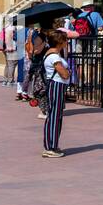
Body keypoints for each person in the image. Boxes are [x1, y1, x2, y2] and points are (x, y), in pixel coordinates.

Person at [40, 30, 72, 159]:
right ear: (60, 42)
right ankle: (50, 147)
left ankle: (52, 145)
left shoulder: (53, 54)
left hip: (57, 86)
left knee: (55, 116)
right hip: (56, 86)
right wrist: (68, 72)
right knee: (54, 116)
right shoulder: (54, 57)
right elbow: (63, 74)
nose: (67, 42)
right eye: (65, 40)